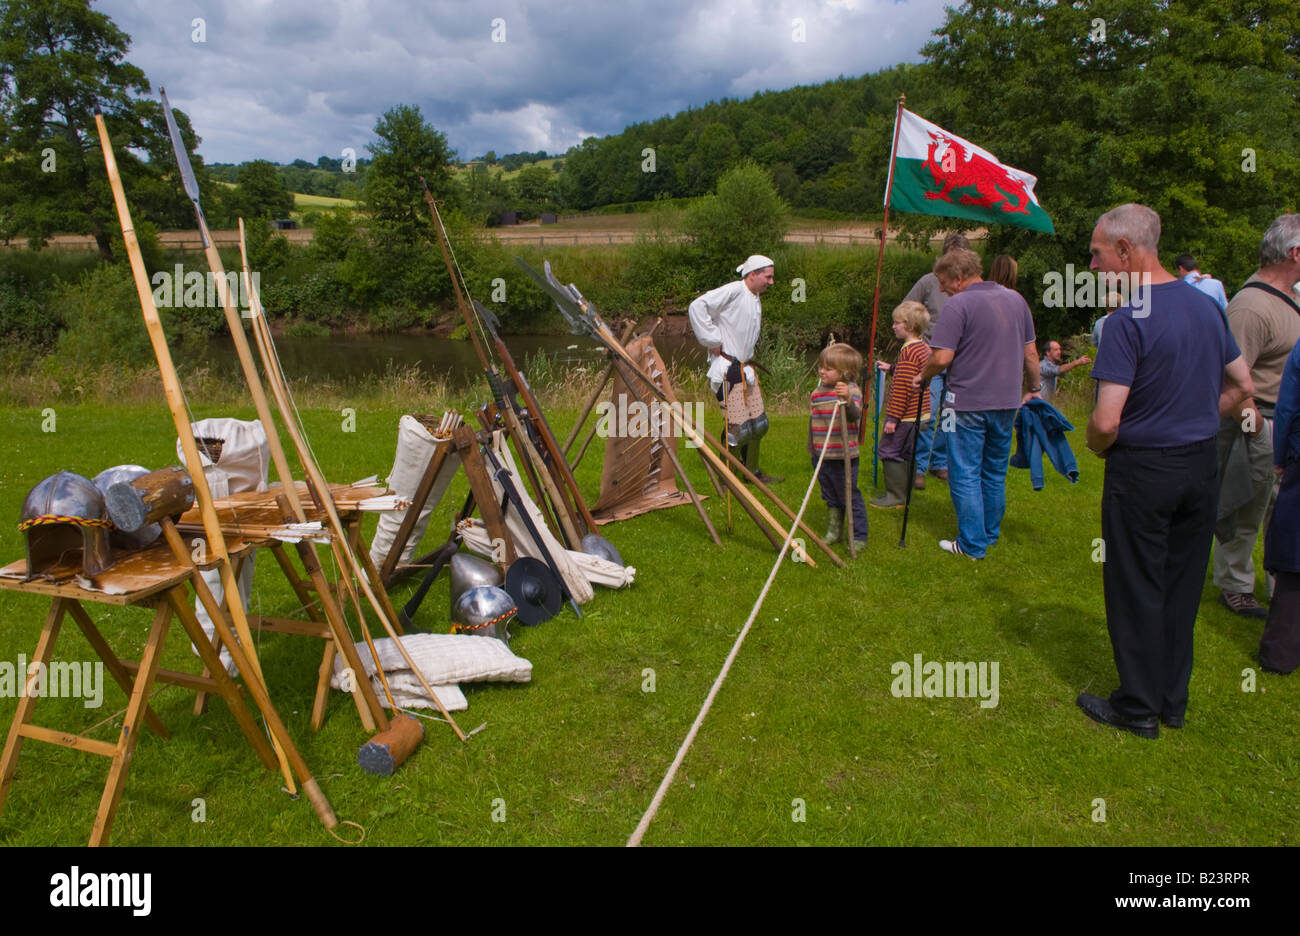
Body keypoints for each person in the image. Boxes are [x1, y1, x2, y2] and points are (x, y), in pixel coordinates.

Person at [1078, 203, 1252, 740]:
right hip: (1200, 464)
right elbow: (1242, 385)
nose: (1093, 266)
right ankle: (1171, 701)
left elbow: (1107, 419)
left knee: (1134, 582)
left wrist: (1099, 443)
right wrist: (1197, 417)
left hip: (1144, 469)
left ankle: (1136, 707)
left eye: (1098, 254)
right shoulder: (1206, 308)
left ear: (1126, 251)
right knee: (1180, 583)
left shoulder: (1127, 323)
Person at [911, 247, 1038, 559]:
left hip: (964, 403)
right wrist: (1035, 386)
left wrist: (922, 376)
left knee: (964, 470)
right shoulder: (1016, 300)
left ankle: (971, 545)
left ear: (958, 277)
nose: (940, 288)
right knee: (994, 470)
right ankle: (988, 534)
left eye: (943, 282)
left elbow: (941, 357)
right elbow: (1031, 353)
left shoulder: (959, 305)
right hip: (1007, 403)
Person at [1212, 215, 1300, 618]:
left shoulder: (1288, 300)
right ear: (1295, 253)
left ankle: (1280, 586)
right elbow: (1229, 379)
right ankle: (1235, 585)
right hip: (1257, 419)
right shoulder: (1251, 306)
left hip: (1283, 422)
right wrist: (1258, 429)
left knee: (1281, 513)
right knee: (1246, 507)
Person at [689, 254, 783, 483]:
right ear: (753, 274)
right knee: (738, 428)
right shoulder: (734, 290)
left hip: (745, 368)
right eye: (767, 277)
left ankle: (752, 473)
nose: (771, 282)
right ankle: (726, 476)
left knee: (758, 425)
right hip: (727, 369)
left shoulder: (754, 295)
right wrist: (712, 340)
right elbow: (697, 306)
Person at [905, 232, 969, 489]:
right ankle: (918, 466)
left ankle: (939, 462)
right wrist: (918, 335)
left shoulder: (968, 287)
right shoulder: (929, 282)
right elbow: (905, 311)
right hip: (931, 355)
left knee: (950, 414)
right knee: (927, 414)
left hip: (960, 359)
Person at [871, 301, 931, 509]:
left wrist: (892, 419)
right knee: (907, 452)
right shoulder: (923, 348)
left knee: (889, 450)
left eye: (897, 323)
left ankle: (895, 496)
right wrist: (892, 368)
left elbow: (903, 389)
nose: (893, 326)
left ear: (910, 326)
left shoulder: (908, 351)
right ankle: (905, 492)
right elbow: (913, 372)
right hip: (920, 414)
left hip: (905, 415)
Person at [808, 342, 867, 546]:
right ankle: (835, 530)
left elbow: (854, 415)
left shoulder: (851, 391)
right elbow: (813, 423)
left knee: (849, 495)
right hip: (822, 455)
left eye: (827, 368)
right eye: (821, 366)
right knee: (830, 495)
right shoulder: (818, 392)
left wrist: (847, 399)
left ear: (845, 372)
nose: (821, 371)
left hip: (843, 455)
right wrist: (813, 450)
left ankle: (858, 534)